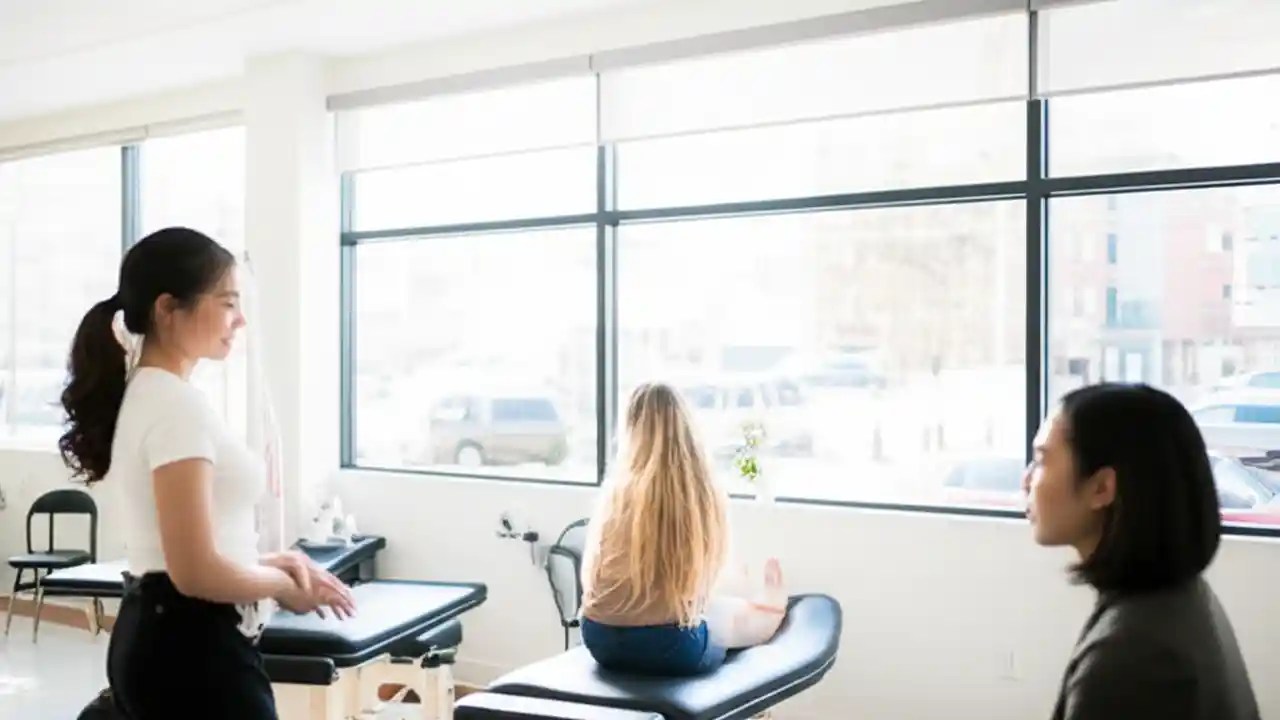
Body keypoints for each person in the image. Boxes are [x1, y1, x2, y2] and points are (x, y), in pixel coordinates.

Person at [59, 227, 356, 720]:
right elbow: (193, 571)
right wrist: (281, 586)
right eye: (227, 303)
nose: (240, 319)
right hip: (191, 651)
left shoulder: (153, 394)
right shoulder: (175, 407)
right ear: (167, 308)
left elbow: (175, 553)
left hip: (166, 636)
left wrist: (269, 561)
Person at [1024, 383, 1260, 720]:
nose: (1026, 480)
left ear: (1102, 487)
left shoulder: (1130, 655)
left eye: (1041, 460)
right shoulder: (1179, 599)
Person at [579, 382, 730, 676]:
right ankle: (771, 615)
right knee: (728, 625)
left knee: (717, 617)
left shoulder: (616, 492)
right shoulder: (700, 494)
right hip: (670, 645)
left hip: (599, 638)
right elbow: (703, 586)